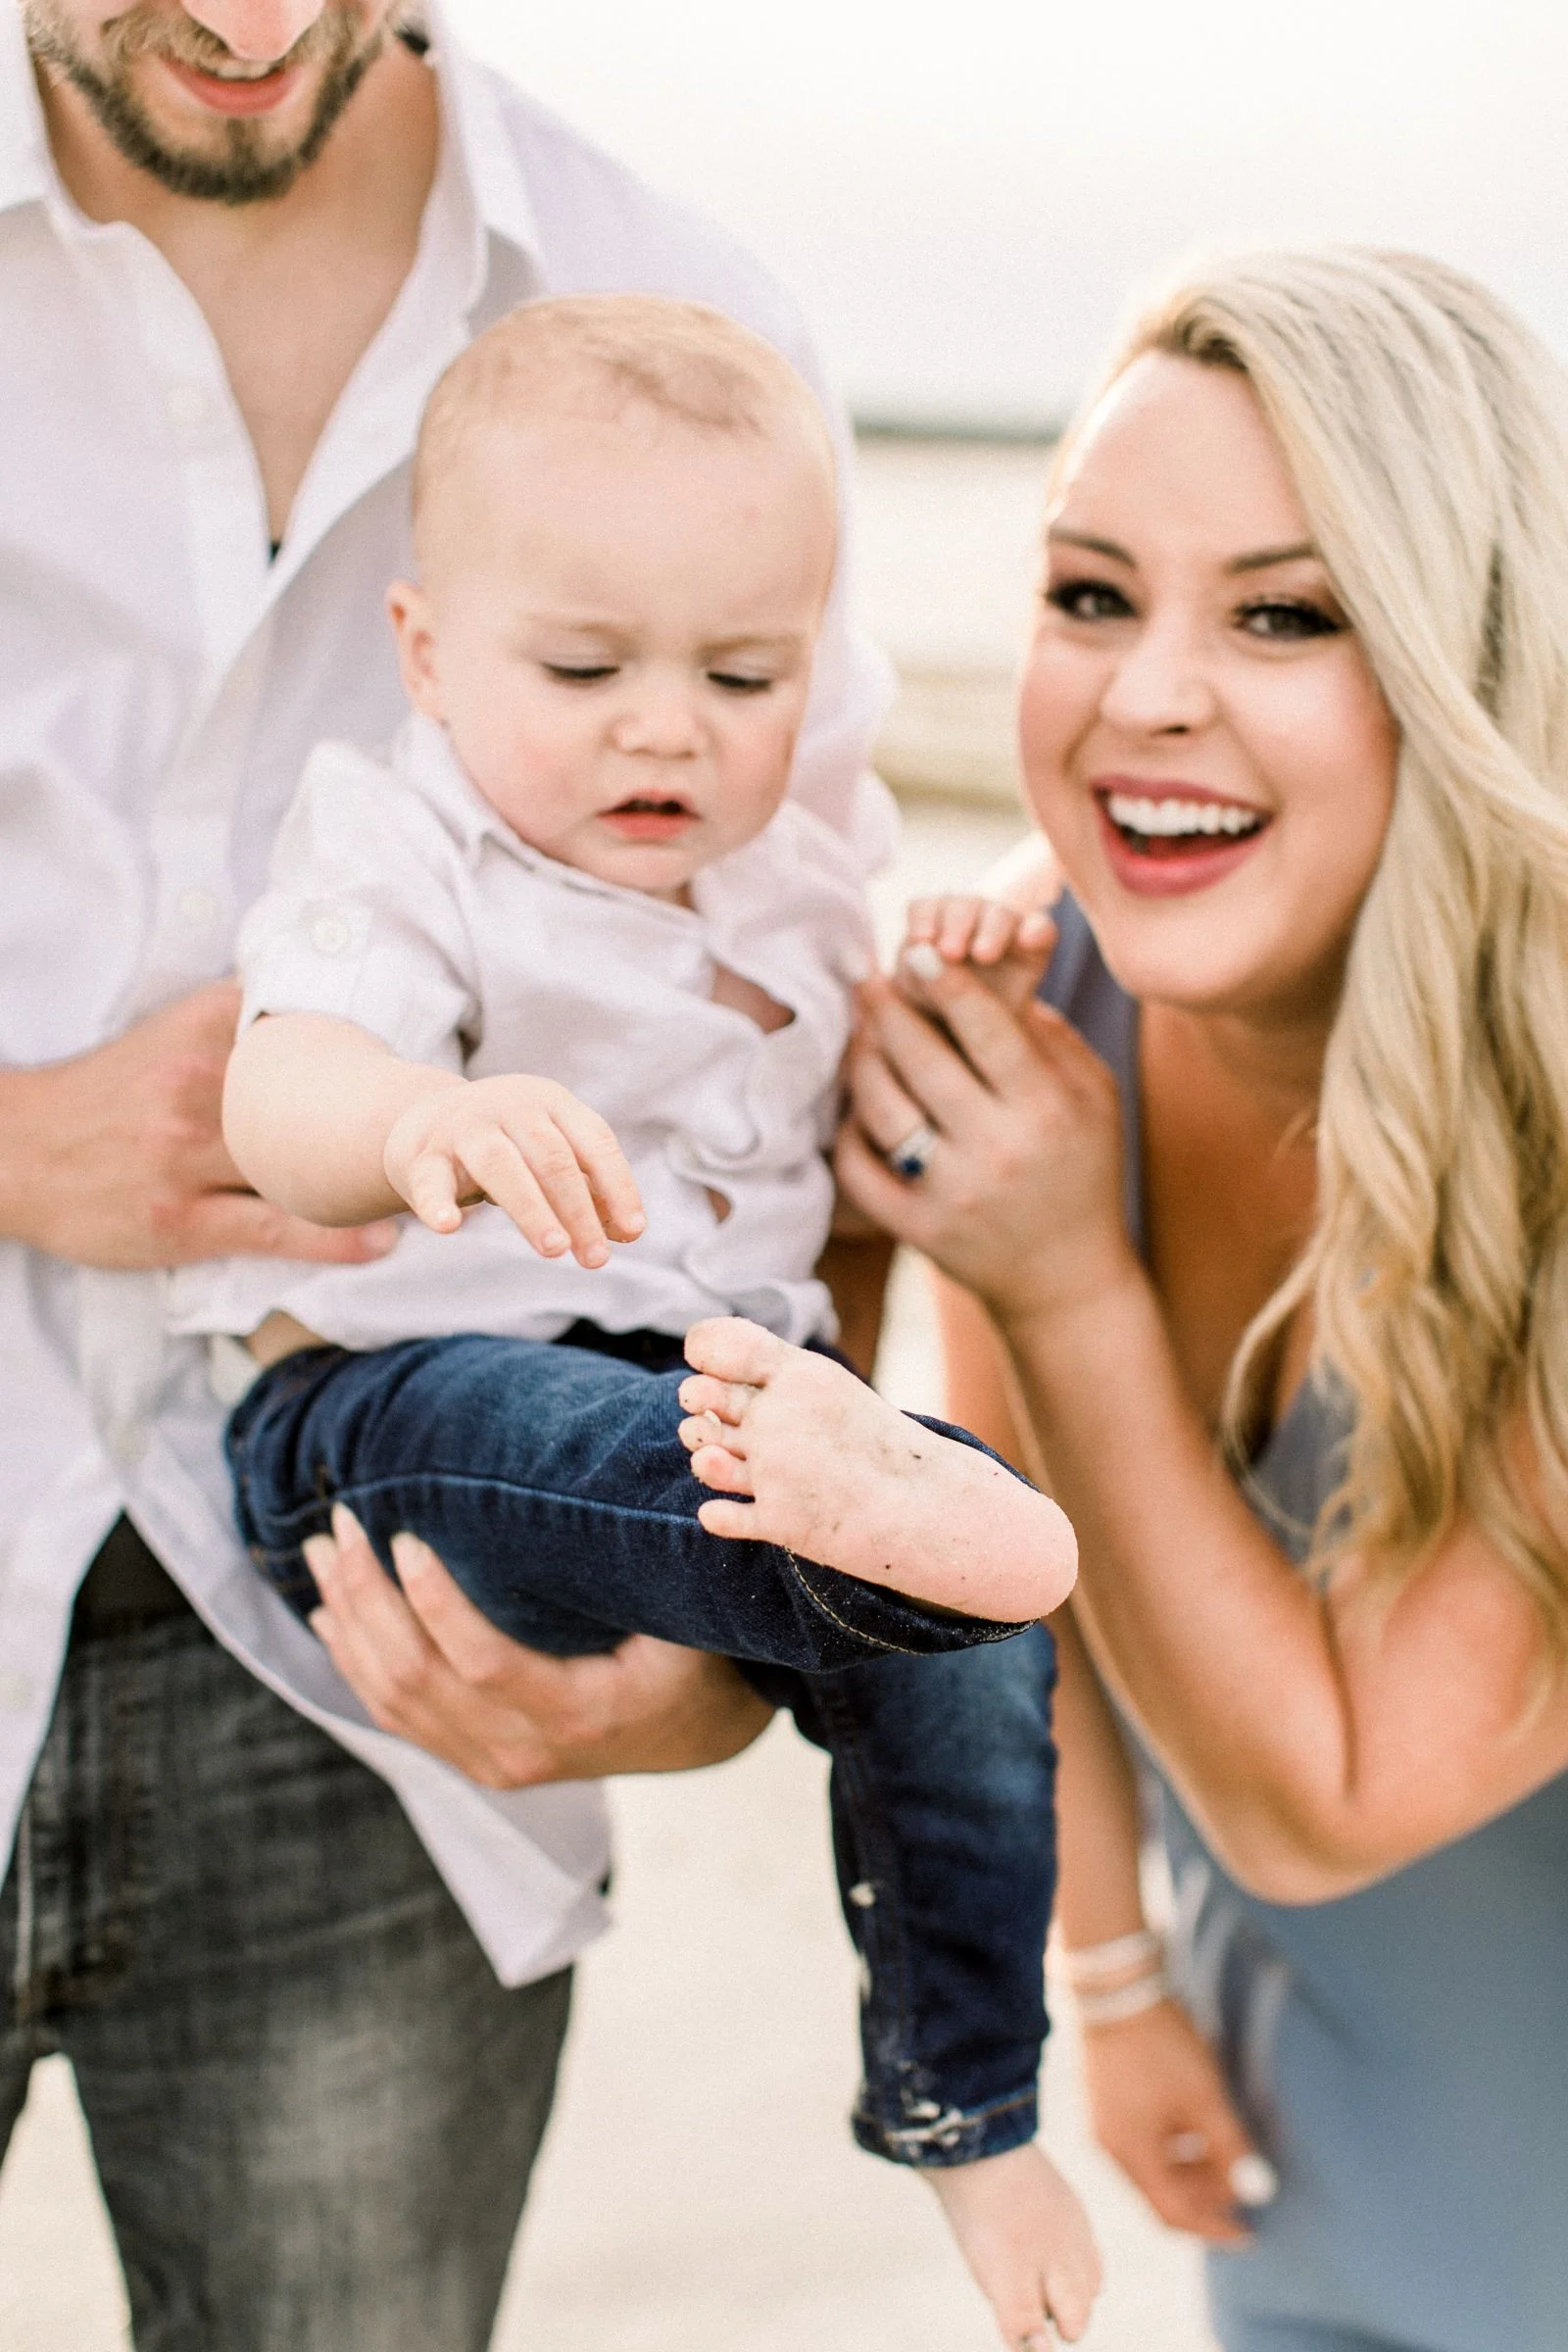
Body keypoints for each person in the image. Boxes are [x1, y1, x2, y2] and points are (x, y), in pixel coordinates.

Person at [0, 5, 901, 2343]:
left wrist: (705, 1666)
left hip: (391, 1694)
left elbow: (788, 1080)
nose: (238, 20)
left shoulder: (691, 318)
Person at [178, 287, 1096, 2349]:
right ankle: (817, 1520)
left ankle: (967, 2100)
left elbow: (832, 1041)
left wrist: (929, 942)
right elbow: (275, 1081)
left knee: (952, 1617)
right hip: (383, 1410)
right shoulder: (399, 840)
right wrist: (421, 1112)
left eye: (744, 672)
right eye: (584, 668)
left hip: (721, 1398)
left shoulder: (782, 867)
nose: (666, 727)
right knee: (632, 1446)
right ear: (427, 652)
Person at [840, 248, 1568, 2352]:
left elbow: (1318, 1797)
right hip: (1306, 2151)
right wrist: (1114, 1980)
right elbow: (1008, 1575)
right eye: (1087, 594)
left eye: (1279, 612)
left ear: (1461, 661)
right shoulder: (1038, 1008)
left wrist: (1064, 1267)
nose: (1144, 692)